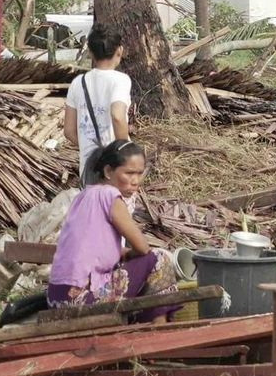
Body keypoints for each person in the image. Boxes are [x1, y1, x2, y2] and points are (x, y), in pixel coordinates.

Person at [46, 140, 178, 322]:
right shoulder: (109, 195)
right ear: (108, 171)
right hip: (82, 298)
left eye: (139, 174)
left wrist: (122, 254)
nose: (135, 181)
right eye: (129, 173)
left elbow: (91, 249)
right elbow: (142, 248)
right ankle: (160, 327)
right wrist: (130, 255)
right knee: (159, 259)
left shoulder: (82, 196)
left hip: (56, 298)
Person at [64, 24, 131, 182]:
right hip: (115, 168)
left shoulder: (78, 82)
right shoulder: (120, 80)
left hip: (88, 169)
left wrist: (90, 149)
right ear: (119, 50)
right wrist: (125, 153)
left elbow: (68, 131)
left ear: (91, 52)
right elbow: (117, 116)